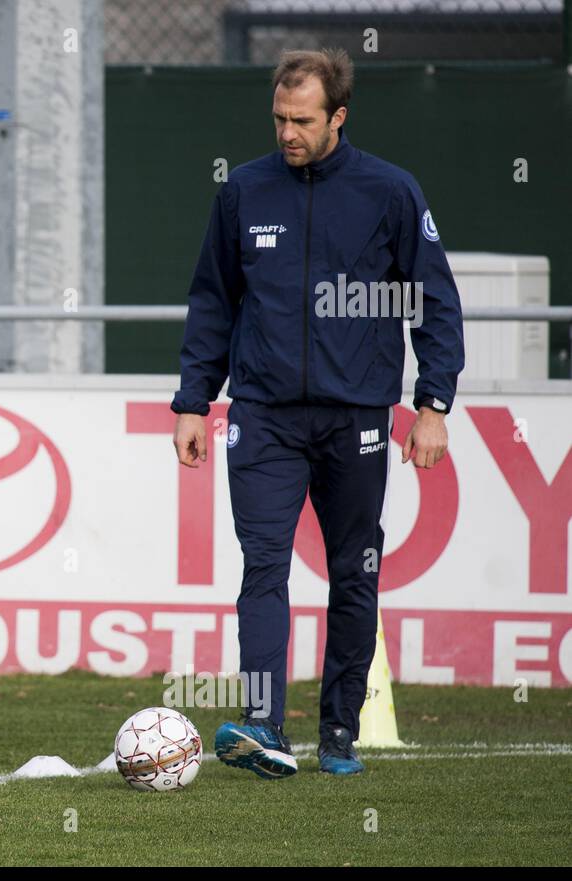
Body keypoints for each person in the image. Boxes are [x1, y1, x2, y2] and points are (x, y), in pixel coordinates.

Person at [170, 50, 464, 777]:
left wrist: (432, 405)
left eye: (302, 120)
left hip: (357, 415)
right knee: (263, 565)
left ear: (338, 116)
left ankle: (339, 728)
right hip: (263, 414)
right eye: (278, 118)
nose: (287, 133)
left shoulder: (390, 192)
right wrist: (192, 401)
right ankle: (264, 724)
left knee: (353, 571)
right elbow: (213, 301)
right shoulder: (242, 191)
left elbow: (434, 304)